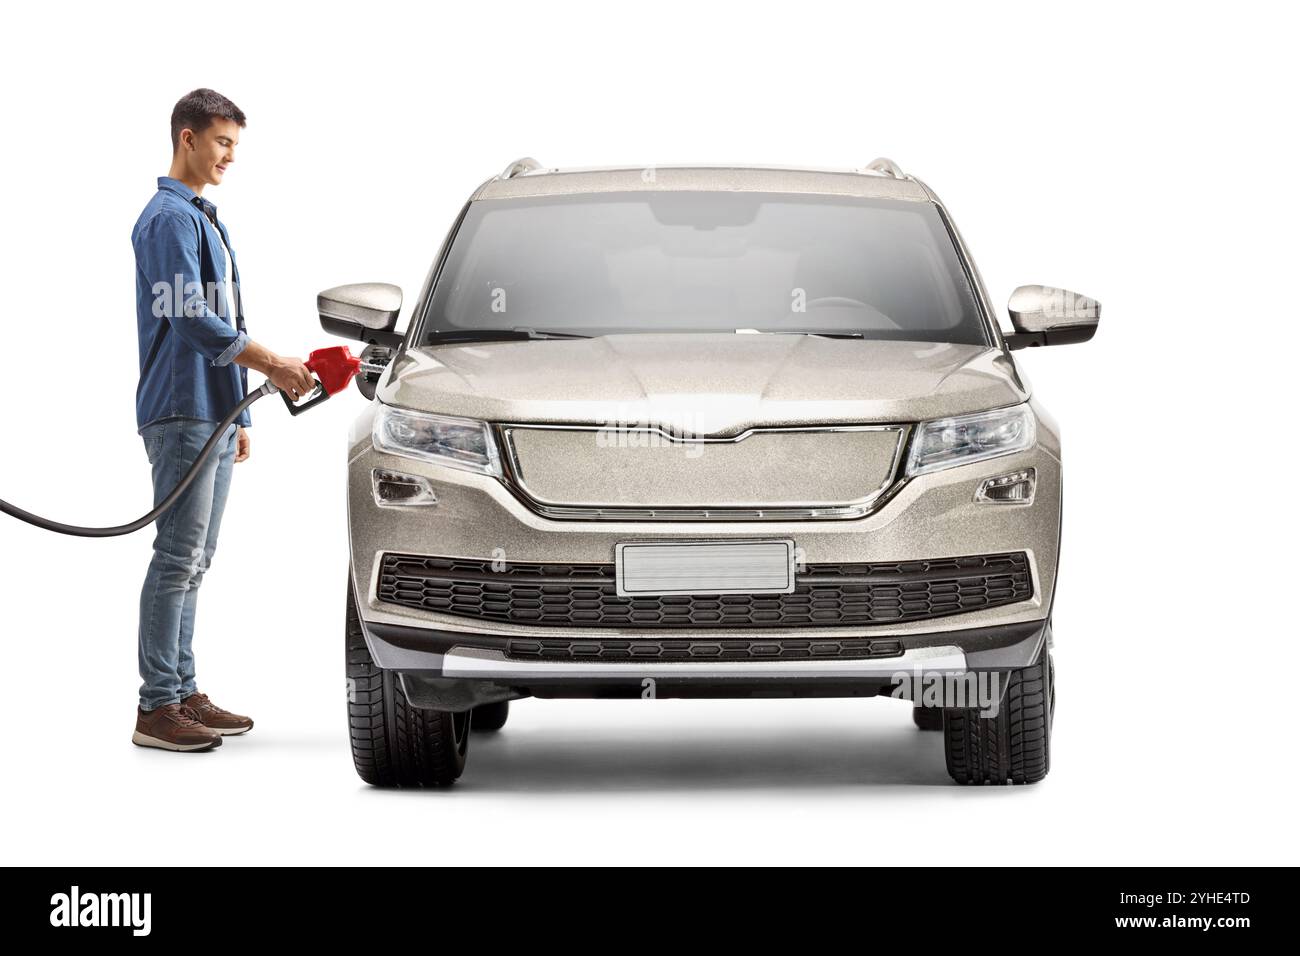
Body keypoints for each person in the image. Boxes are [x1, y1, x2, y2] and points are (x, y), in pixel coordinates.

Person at [130, 88, 314, 752]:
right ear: (187, 138)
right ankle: (156, 707)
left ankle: (181, 691)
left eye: (235, 144)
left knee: (196, 558)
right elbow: (188, 316)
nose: (230, 156)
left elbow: (223, 321)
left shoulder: (205, 219)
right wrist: (270, 362)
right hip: (180, 408)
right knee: (177, 557)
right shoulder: (169, 220)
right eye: (222, 142)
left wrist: (241, 416)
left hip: (212, 410)